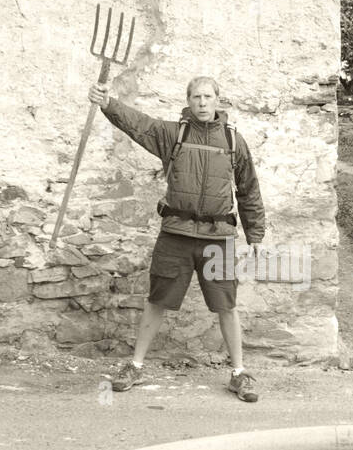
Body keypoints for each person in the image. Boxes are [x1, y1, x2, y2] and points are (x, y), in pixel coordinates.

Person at [88, 76, 266, 402]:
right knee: (157, 300)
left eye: (208, 96)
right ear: (188, 99)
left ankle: (239, 374)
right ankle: (135, 366)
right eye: (196, 96)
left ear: (217, 100)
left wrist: (255, 233)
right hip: (176, 235)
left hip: (218, 239)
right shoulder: (173, 134)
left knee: (226, 305)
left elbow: (248, 189)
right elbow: (137, 124)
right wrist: (107, 103)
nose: (202, 102)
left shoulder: (233, 141)